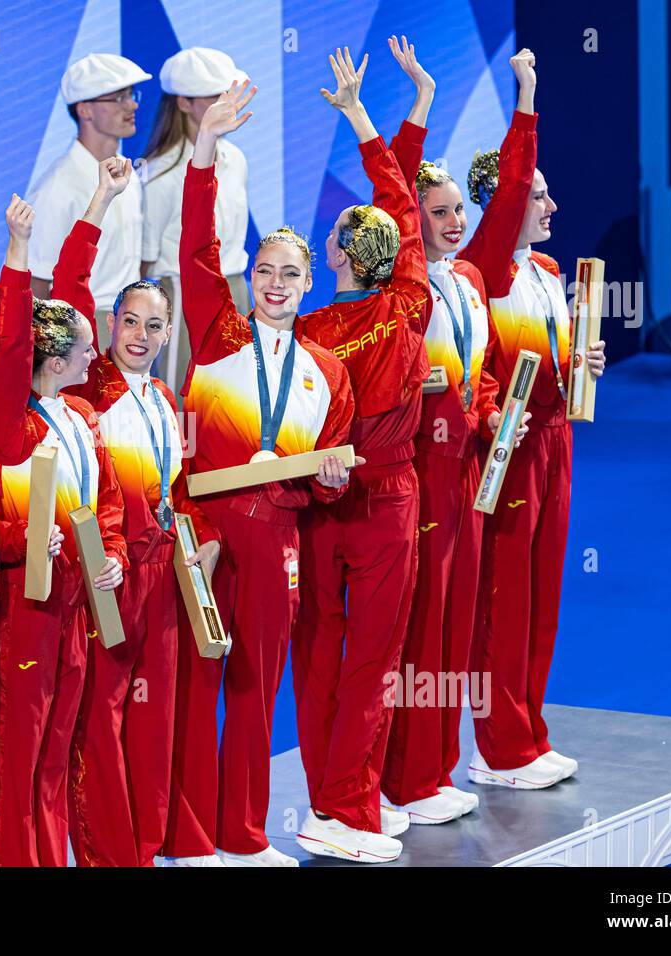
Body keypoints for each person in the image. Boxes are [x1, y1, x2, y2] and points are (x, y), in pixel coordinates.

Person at [164, 78, 356, 868]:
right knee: (193, 681)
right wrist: (205, 143)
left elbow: (327, 475)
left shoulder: (325, 373)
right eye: (266, 272)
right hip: (208, 533)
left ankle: (240, 837)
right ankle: (186, 837)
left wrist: (333, 482)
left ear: (308, 285)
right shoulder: (217, 335)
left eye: (289, 275)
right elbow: (194, 246)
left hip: (276, 534)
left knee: (254, 685)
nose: (275, 285)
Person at [46, 156, 222, 867]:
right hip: (111, 577)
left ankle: (149, 846)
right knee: (103, 720)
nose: (142, 335)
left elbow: (177, 493)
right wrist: (100, 202)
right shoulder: (91, 386)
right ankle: (107, 854)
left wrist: (198, 545)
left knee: (155, 718)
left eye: (156, 324)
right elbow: (65, 289)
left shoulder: (165, 399)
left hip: (164, 575)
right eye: (130, 321)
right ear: (109, 323)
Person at [291, 47, 431, 864]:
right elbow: (402, 207)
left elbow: (396, 212)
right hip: (386, 503)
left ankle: (336, 797)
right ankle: (346, 807)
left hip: (318, 502)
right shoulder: (410, 303)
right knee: (373, 657)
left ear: (337, 259)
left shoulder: (304, 336)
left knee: (319, 653)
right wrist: (360, 119)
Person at [457, 49, 606, 789]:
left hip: (556, 443)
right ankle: (498, 746)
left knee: (544, 592)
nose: (549, 207)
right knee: (503, 601)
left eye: (545, 197)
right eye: (537, 197)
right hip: (506, 447)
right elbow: (486, 373)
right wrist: (529, 94)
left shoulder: (549, 274)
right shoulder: (489, 273)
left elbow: (553, 362)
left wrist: (583, 365)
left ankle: (529, 730)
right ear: (505, 207)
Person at [378, 37, 514, 825]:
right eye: (437, 213)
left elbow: (484, 368)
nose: (456, 223)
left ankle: (436, 766)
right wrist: (421, 104)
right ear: (409, 223)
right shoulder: (402, 289)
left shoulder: (465, 281)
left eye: (460, 209)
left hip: (463, 467)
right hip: (413, 474)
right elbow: (391, 180)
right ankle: (402, 775)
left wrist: (490, 408)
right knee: (415, 625)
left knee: (455, 616)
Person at [0, 194, 129, 867]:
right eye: (87, 351)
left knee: (58, 752)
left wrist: (114, 556)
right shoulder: (7, 422)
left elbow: (110, 506)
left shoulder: (81, 419)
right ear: (55, 360)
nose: (97, 361)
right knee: (19, 757)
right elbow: (11, 343)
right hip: (26, 614)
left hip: (75, 610)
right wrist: (16, 248)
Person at [141, 47, 251, 395]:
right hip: (183, 295)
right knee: (183, 398)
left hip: (237, 290)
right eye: (214, 96)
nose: (226, 103)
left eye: (228, 94)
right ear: (184, 103)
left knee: (239, 397)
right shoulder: (160, 173)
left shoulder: (236, 159)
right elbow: (144, 261)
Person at [29, 53, 151, 343]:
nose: (132, 104)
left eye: (131, 95)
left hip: (132, 320)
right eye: (118, 98)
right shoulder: (57, 187)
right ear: (84, 110)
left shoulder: (128, 172)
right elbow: (37, 282)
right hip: (84, 326)